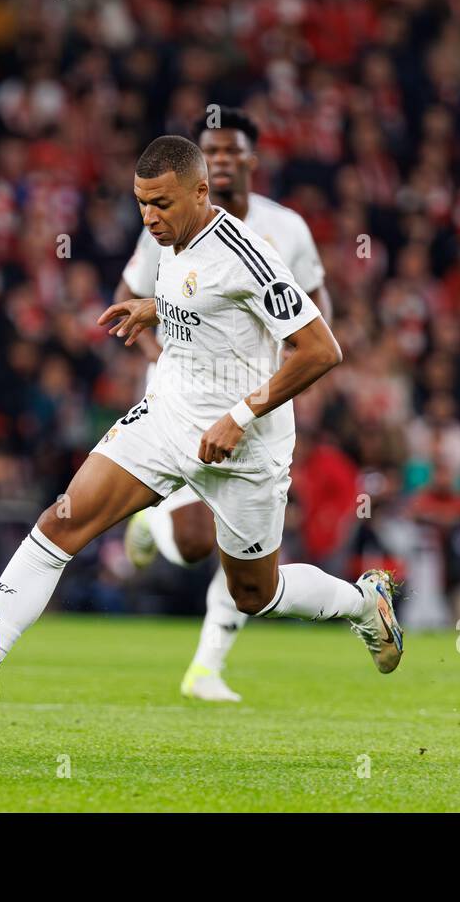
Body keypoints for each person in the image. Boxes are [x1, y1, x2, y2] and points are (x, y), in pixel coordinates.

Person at [0, 134, 401, 734]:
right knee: (62, 521)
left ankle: (365, 605)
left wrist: (239, 417)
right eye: (140, 204)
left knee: (253, 593)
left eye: (161, 203)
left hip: (245, 444)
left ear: (202, 193)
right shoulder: (170, 243)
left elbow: (319, 349)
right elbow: (202, 299)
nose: (150, 218)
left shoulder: (246, 253)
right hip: (166, 418)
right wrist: (153, 309)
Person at [113, 107, 332, 702]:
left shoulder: (284, 230)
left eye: (235, 151)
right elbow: (135, 293)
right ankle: (151, 524)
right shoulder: (163, 220)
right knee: (189, 544)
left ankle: (207, 664)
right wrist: (166, 357)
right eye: (215, 149)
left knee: (240, 552)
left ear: (250, 161)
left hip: (253, 408)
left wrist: (284, 386)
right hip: (178, 401)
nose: (226, 159)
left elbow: (315, 317)